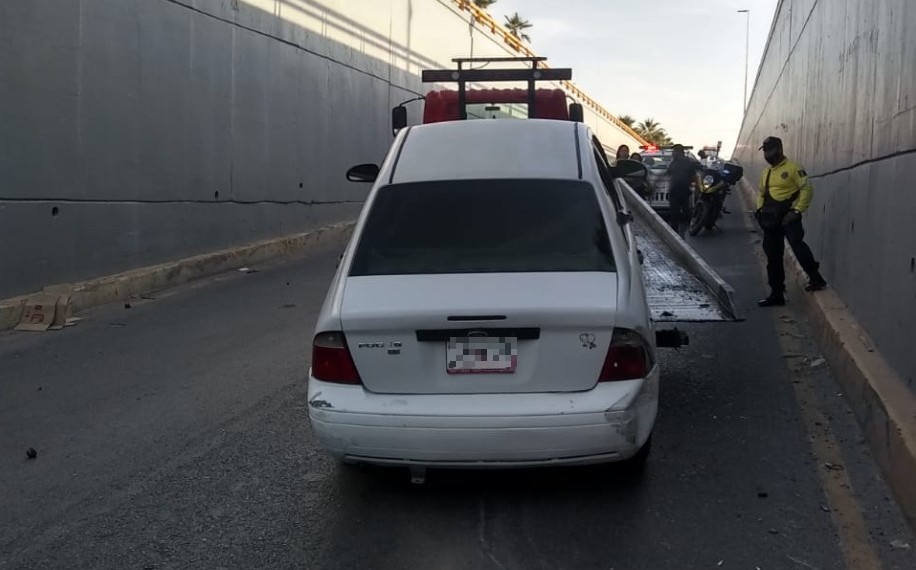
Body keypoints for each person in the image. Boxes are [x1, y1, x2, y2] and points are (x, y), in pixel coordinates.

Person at [755, 136, 827, 307]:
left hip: (789, 217)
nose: (767, 153)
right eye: (765, 150)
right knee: (773, 257)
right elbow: (761, 194)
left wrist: (796, 211)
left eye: (770, 149)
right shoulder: (766, 172)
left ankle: (815, 277)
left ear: (779, 148)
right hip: (771, 221)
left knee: (797, 245)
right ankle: (777, 293)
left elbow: (806, 189)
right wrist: (759, 211)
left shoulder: (794, 168)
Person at [665, 144, 699, 237]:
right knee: (674, 214)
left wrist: (697, 188)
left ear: (679, 152)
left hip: (684, 191)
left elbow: (694, 176)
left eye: (674, 152)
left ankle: (687, 230)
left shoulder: (689, 163)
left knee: (686, 213)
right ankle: (675, 233)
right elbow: (668, 174)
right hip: (674, 191)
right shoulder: (673, 163)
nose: (673, 154)